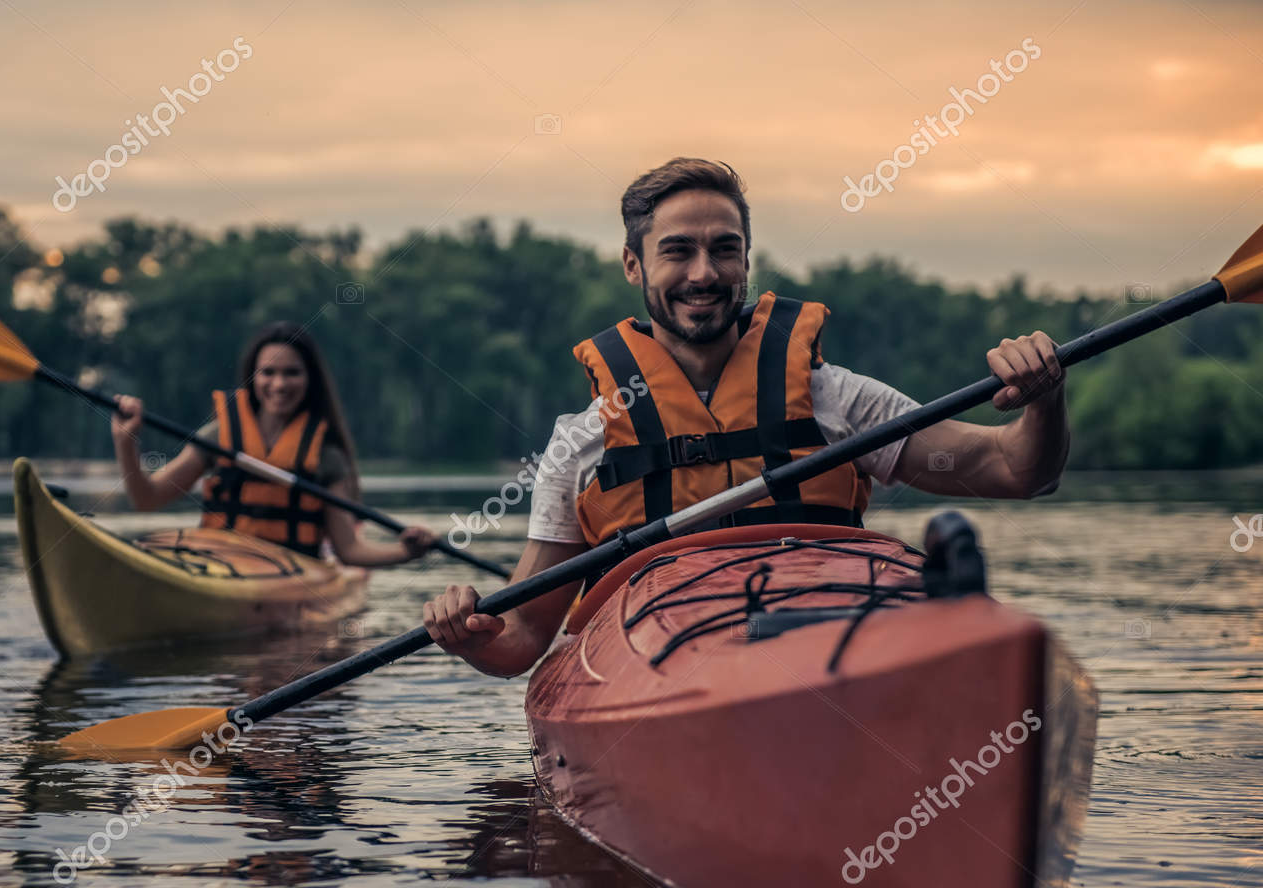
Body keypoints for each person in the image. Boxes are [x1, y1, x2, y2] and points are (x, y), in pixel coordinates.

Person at [425, 156, 1070, 676]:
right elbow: (522, 638)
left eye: (724, 250)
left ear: (746, 263)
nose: (704, 273)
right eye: (677, 251)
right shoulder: (581, 444)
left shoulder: (836, 401)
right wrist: (467, 633)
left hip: (829, 632)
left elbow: (1015, 469)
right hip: (659, 662)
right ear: (634, 265)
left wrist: (1043, 398)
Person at [112, 321, 435, 566]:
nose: (279, 384)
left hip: (290, 573)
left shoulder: (326, 456)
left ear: (310, 380)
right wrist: (126, 441)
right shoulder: (218, 436)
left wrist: (407, 551)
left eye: (291, 373)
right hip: (219, 563)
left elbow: (349, 550)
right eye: (268, 373)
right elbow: (146, 499)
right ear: (253, 378)